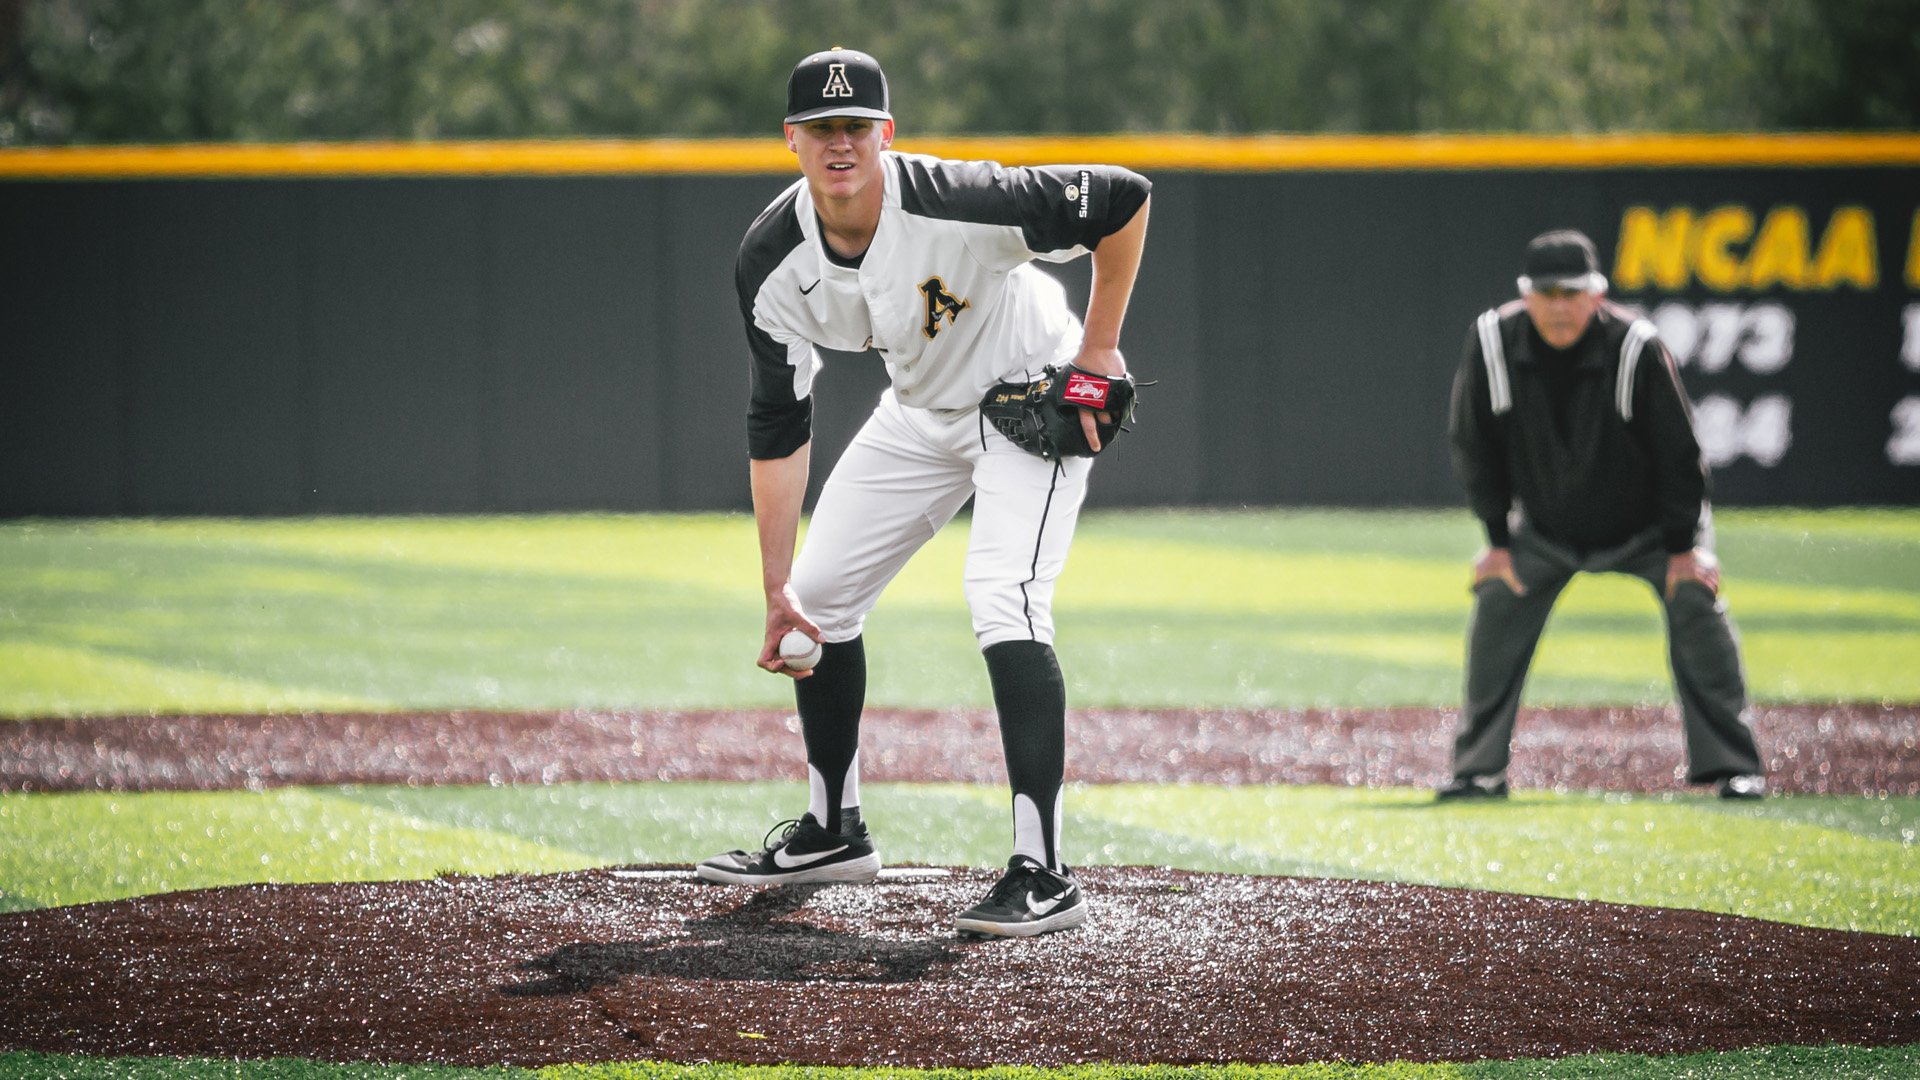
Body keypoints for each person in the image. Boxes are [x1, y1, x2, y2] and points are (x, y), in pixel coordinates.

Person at [696, 47, 1152, 938]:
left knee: (1003, 597)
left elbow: (1124, 198)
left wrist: (1098, 351)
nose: (840, 143)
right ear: (791, 140)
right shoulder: (771, 262)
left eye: (855, 127)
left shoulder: (956, 198)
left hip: (1030, 397)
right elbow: (778, 424)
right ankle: (835, 830)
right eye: (821, 129)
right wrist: (774, 586)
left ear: (885, 135)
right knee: (819, 603)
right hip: (920, 411)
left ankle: (1043, 868)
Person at [1441, 229, 1766, 802]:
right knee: (1497, 597)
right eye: (1548, 293)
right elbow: (1473, 445)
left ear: (1598, 295)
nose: (1560, 306)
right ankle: (1478, 770)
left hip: (1649, 531)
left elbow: (1680, 454)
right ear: (1526, 296)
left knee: (1697, 598)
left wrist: (1684, 548)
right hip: (1543, 530)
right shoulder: (1493, 340)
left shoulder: (1635, 346)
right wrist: (1497, 540)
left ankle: (1734, 767)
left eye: (1573, 293)